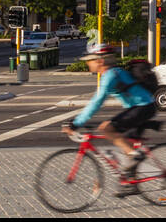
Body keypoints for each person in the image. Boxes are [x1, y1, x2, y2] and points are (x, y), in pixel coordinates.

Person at [61, 44, 158, 195]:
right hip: (141, 107)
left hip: (143, 107)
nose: (88, 63)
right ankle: (130, 184)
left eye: (90, 60)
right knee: (125, 141)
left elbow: (96, 102)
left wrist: (76, 123)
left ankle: (135, 156)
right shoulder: (113, 73)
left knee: (108, 129)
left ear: (100, 61)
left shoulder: (110, 76)